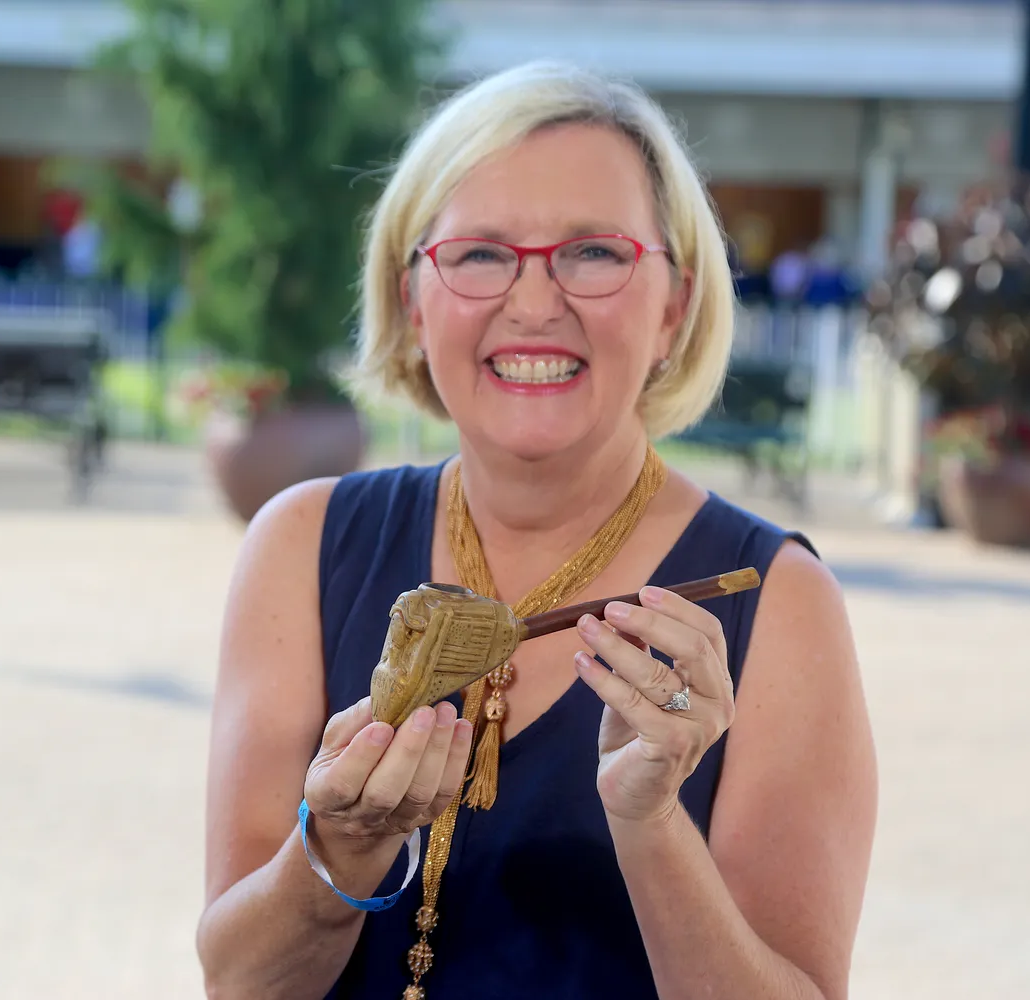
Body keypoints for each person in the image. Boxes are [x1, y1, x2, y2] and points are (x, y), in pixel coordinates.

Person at [197, 60, 877, 1000]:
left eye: (593, 252)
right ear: (411, 298)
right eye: (480, 253)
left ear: (676, 305)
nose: (532, 302)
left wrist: (651, 828)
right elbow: (240, 985)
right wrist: (341, 848)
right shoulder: (302, 547)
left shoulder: (777, 600)